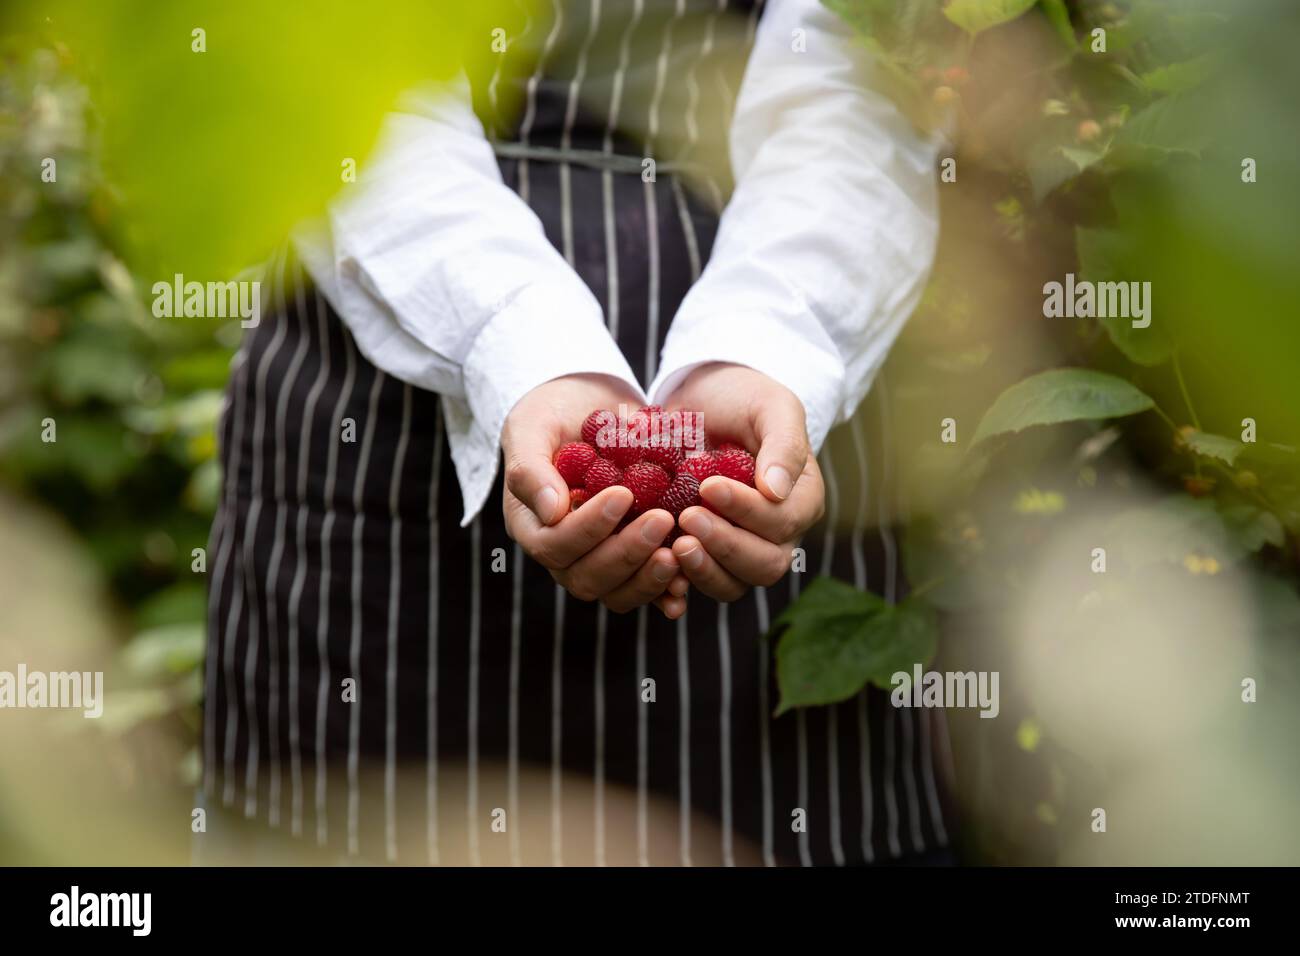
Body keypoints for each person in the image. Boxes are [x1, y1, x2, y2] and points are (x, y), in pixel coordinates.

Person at [203, 0, 952, 866]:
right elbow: (327, 61)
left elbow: (867, 69)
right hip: (376, 431)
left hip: (790, 361)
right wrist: (515, 342)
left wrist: (775, 341)